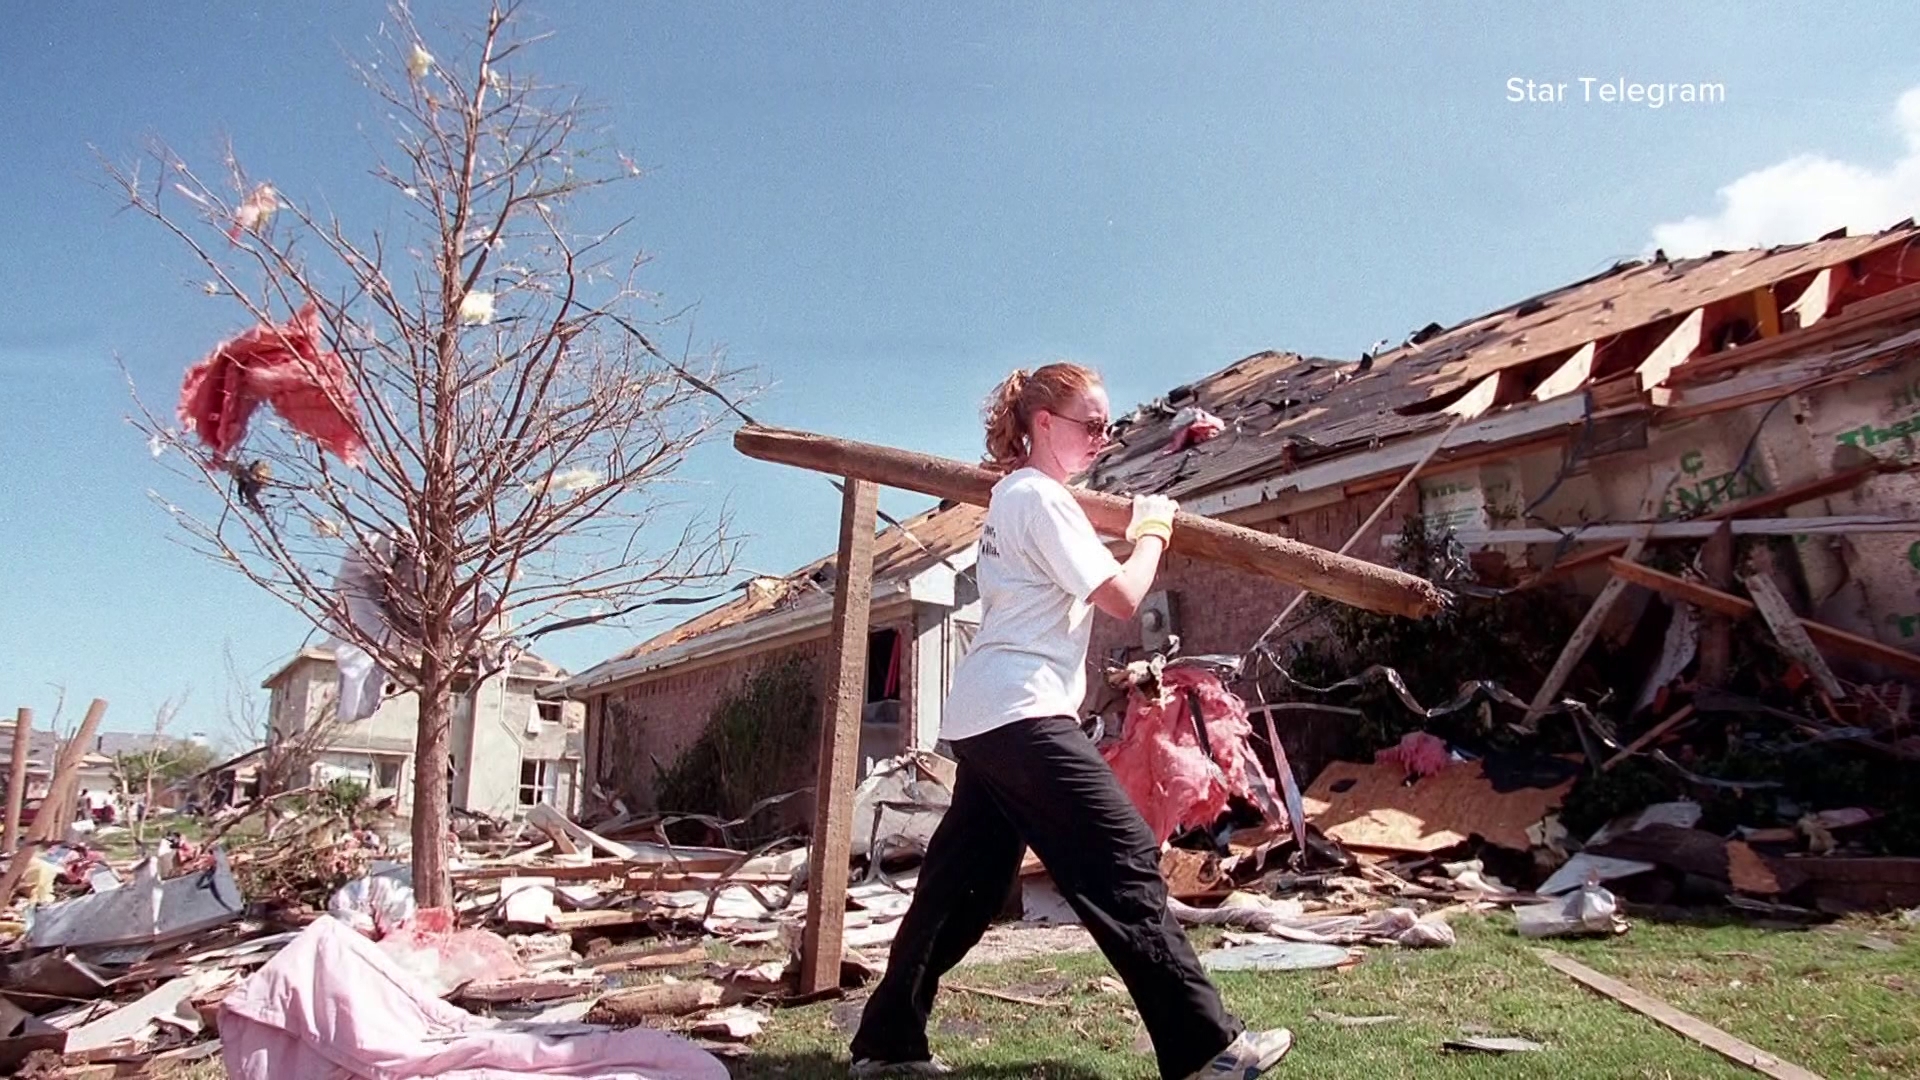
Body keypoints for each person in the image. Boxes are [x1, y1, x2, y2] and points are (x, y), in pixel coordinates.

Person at [849, 364, 1292, 1079]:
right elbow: (1122, 595)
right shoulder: (1038, 497)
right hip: (1021, 714)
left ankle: (887, 1044)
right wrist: (1153, 531)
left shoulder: (1018, 498)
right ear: (1043, 423)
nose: (1101, 437)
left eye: (1107, 426)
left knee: (960, 888)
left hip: (990, 717)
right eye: (1090, 424)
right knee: (1121, 858)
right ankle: (1207, 1050)